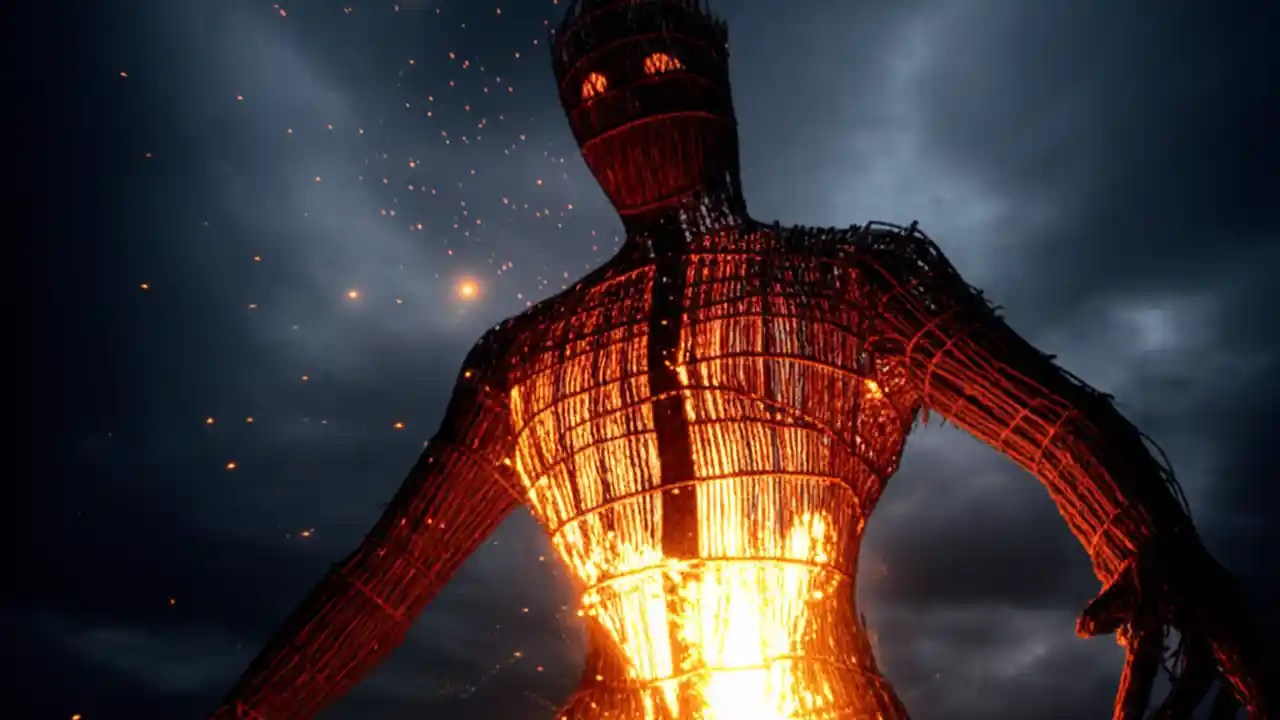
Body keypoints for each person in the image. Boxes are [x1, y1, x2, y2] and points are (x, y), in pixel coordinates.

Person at [209, 2, 1271, 718]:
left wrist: (1138, 537)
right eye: (591, 89)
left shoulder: (852, 283)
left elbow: (1051, 421)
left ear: (716, 85)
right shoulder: (523, 359)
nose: (623, 99)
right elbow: (383, 584)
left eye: (656, 67)